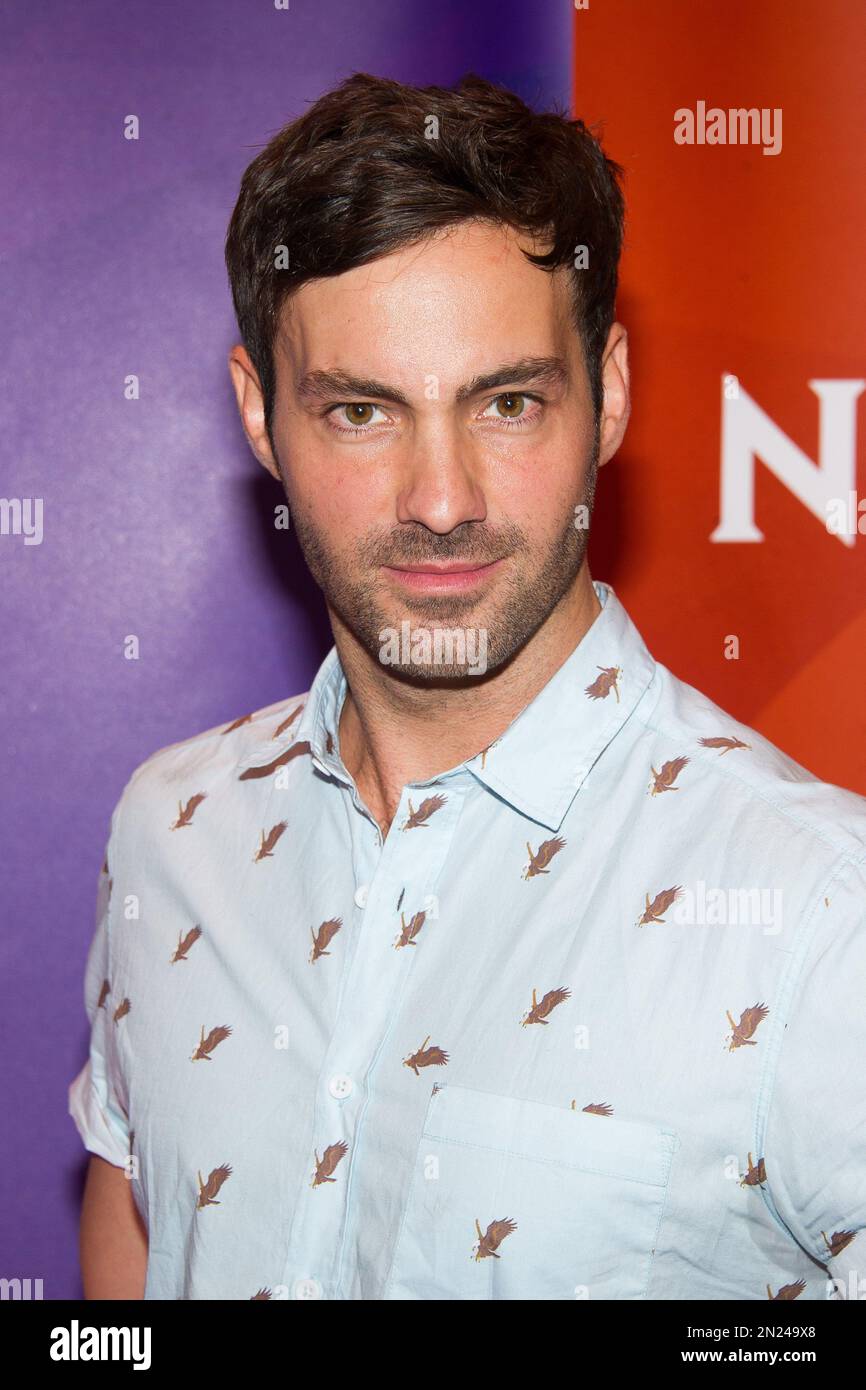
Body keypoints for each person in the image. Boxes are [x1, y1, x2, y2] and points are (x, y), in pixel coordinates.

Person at [68, 71, 866, 1301]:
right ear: (258, 416)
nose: (441, 500)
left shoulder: (820, 914)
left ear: (606, 394)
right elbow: (132, 1217)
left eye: (504, 402)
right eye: (359, 412)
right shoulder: (172, 829)